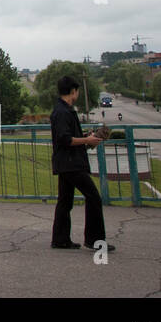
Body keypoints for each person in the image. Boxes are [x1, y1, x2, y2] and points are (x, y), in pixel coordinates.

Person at [50, 76, 112, 252]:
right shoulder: (63, 112)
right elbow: (64, 139)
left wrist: (86, 136)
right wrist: (87, 139)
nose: (77, 94)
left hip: (66, 162)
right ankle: (94, 240)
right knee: (93, 198)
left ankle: (60, 239)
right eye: (77, 91)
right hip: (71, 163)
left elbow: (67, 136)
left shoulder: (63, 110)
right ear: (73, 91)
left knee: (65, 201)